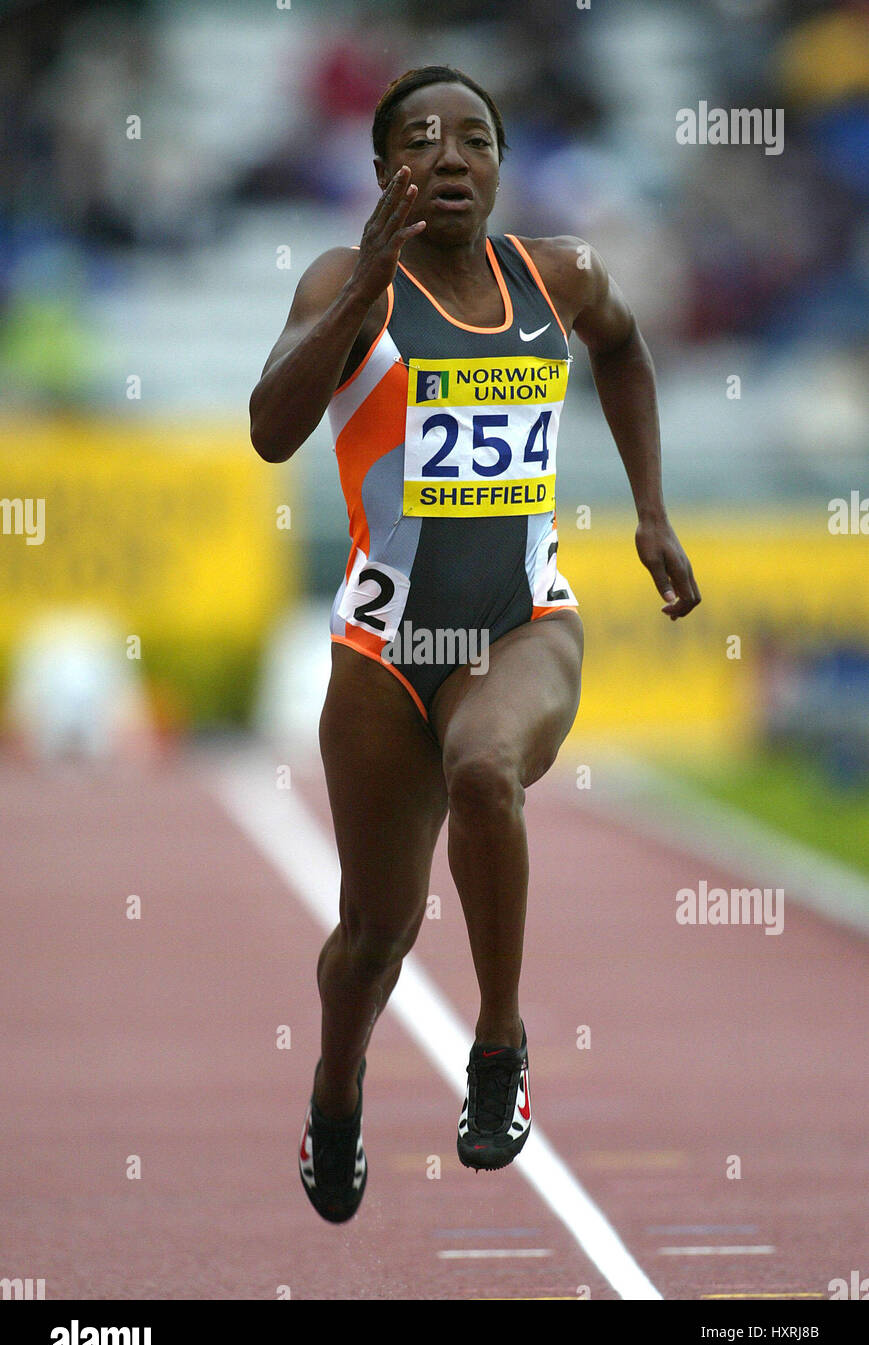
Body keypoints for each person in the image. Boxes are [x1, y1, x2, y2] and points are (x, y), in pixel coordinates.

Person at [249, 65, 700, 1223]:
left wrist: (649, 511)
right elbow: (269, 429)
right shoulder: (346, 281)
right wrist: (359, 297)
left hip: (520, 620)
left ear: (501, 164)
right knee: (369, 939)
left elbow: (625, 350)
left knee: (485, 772)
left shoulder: (559, 275)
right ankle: (336, 1088)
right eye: (419, 141)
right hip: (384, 648)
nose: (449, 157)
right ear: (382, 171)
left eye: (473, 139)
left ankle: (497, 1044)